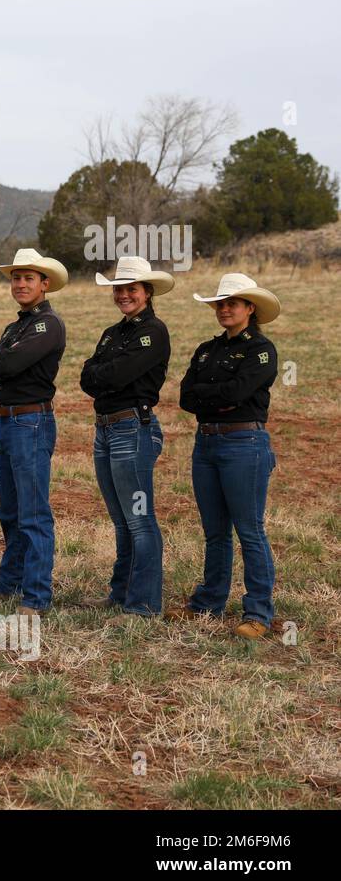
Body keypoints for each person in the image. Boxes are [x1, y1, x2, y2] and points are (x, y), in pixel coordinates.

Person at [173, 273, 281, 640]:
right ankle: (209, 601)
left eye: (231, 303)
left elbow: (239, 391)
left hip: (243, 445)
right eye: (220, 304)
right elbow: (186, 398)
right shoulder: (207, 349)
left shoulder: (261, 350)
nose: (224, 309)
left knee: (249, 530)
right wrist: (220, 395)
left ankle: (259, 612)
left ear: (250, 308)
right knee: (214, 531)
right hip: (206, 444)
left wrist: (213, 394)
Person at [79, 256, 173, 618]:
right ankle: (121, 593)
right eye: (119, 289)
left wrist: (103, 374)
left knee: (139, 517)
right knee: (121, 518)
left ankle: (144, 603)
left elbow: (115, 375)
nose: (124, 295)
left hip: (132, 429)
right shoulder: (112, 332)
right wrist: (104, 374)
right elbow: (87, 377)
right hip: (106, 428)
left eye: (131, 289)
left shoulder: (154, 331)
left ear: (147, 292)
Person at [0, 248, 68, 617]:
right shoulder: (15, 327)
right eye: (16, 278)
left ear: (44, 284)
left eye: (28, 278)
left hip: (30, 421)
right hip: (7, 419)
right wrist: (1, 361)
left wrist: (2, 360)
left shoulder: (48, 324)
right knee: (10, 510)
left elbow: (6, 363)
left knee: (33, 512)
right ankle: (10, 584)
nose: (20, 284)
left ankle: (36, 596)